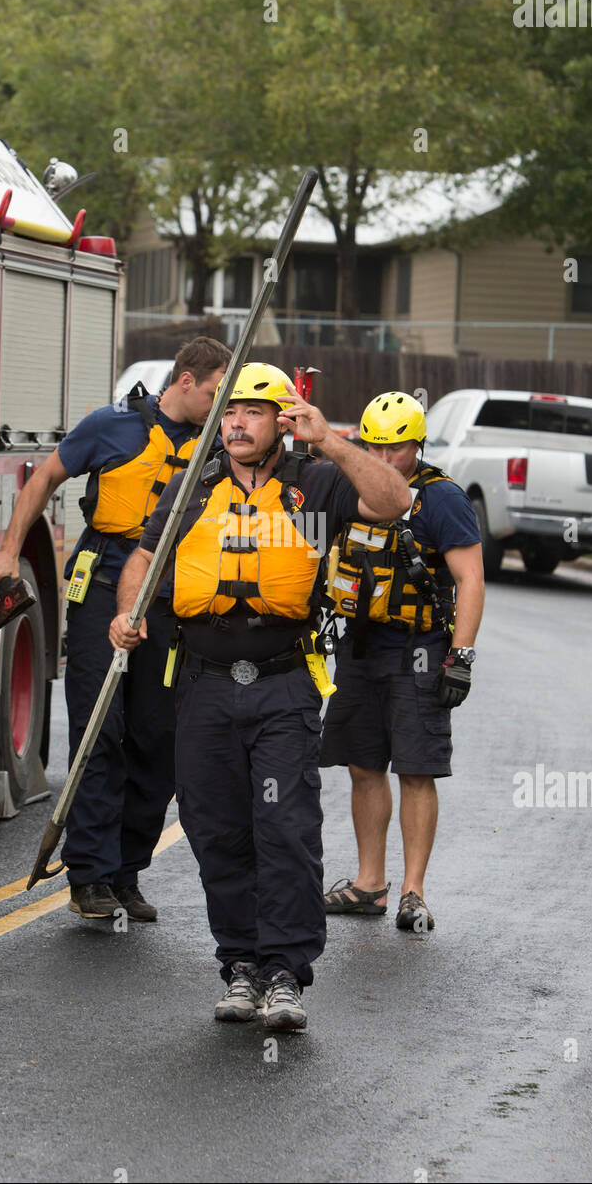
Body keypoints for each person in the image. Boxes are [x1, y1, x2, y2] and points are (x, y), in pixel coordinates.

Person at [110, 363, 411, 1030]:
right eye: (229, 411)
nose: (236, 423)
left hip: (284, 683)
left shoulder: (317, 482)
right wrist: (126, 612)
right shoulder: (194, 484)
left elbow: (394, 502)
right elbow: (145, 556)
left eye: (252, 411)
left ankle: (284, 974)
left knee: (285, 829)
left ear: (283, 420)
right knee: (217, 828)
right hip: (203, 685)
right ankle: (240, 966)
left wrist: (331, 440)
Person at [0, 336, 230, 922]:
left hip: (173, 591)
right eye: (219, 390)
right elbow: (42, 479)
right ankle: (89, 875)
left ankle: (125, 871)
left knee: (158, 738)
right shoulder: (111, 426)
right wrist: (10, 553)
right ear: (187, 381)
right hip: (103, 583)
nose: (226, 403)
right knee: (102, 730)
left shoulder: (220, 444)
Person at [319, 391, 484, 932]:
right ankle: (370, 884)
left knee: (415, 767)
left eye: (398, 448)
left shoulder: (442, 498)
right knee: (363, 764)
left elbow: (470, 579)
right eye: (376, 446)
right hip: (359, 646)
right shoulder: (348, 486)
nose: (386, 458)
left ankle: (413, 891)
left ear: (418, 444)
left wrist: (459, 656)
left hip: (419, 648)